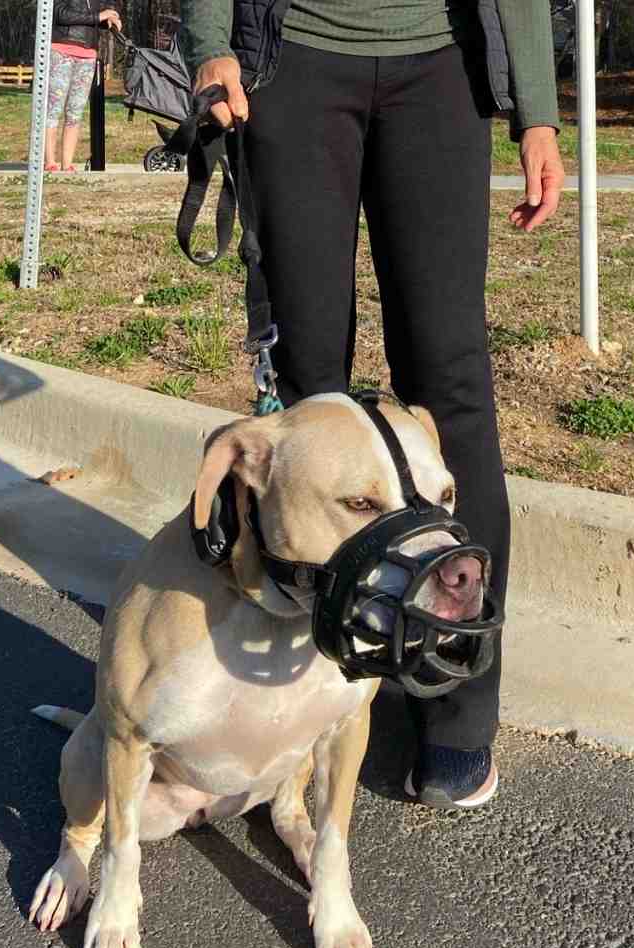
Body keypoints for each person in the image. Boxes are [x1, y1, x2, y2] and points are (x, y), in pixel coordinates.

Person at [178, 0, 565, 808]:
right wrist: (211, 45)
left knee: (449, 382)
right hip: (294, 66)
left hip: (441, 70)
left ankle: (455, 709)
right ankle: (300, 683)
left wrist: (538, 113)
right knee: (310, 397)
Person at [45, 0, 122, 172]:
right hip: (61, 51)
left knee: (75, 111)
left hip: (88, 55)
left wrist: (110, 18)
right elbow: (61, 15)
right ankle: (50, 162)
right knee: (53, 109)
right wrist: (99, 16)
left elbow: (93, 19)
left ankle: (67, 164)